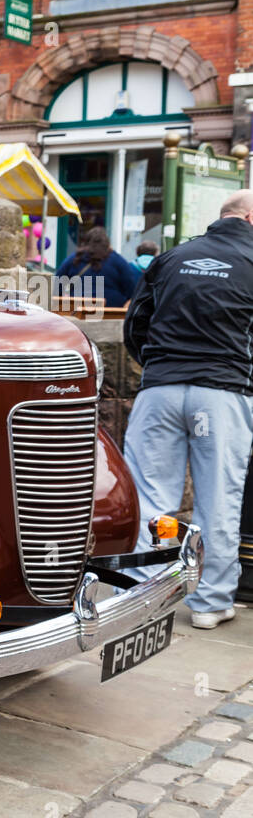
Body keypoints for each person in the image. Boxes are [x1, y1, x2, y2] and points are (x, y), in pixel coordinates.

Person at [122, 189, 253, 628]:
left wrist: (159, 365)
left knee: (148, 498)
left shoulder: (172, 257)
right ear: (251, 218)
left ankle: (142, 599)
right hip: (223, 394)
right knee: (218, 500)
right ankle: (211, 604)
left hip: (159, 390)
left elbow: (135, 321)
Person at [54, 226, 140, 309]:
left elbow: (57, 285)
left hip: (76, 311)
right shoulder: (119, 261)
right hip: (111, 313)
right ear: (107, 243)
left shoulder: (74, 259)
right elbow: (132, 290)